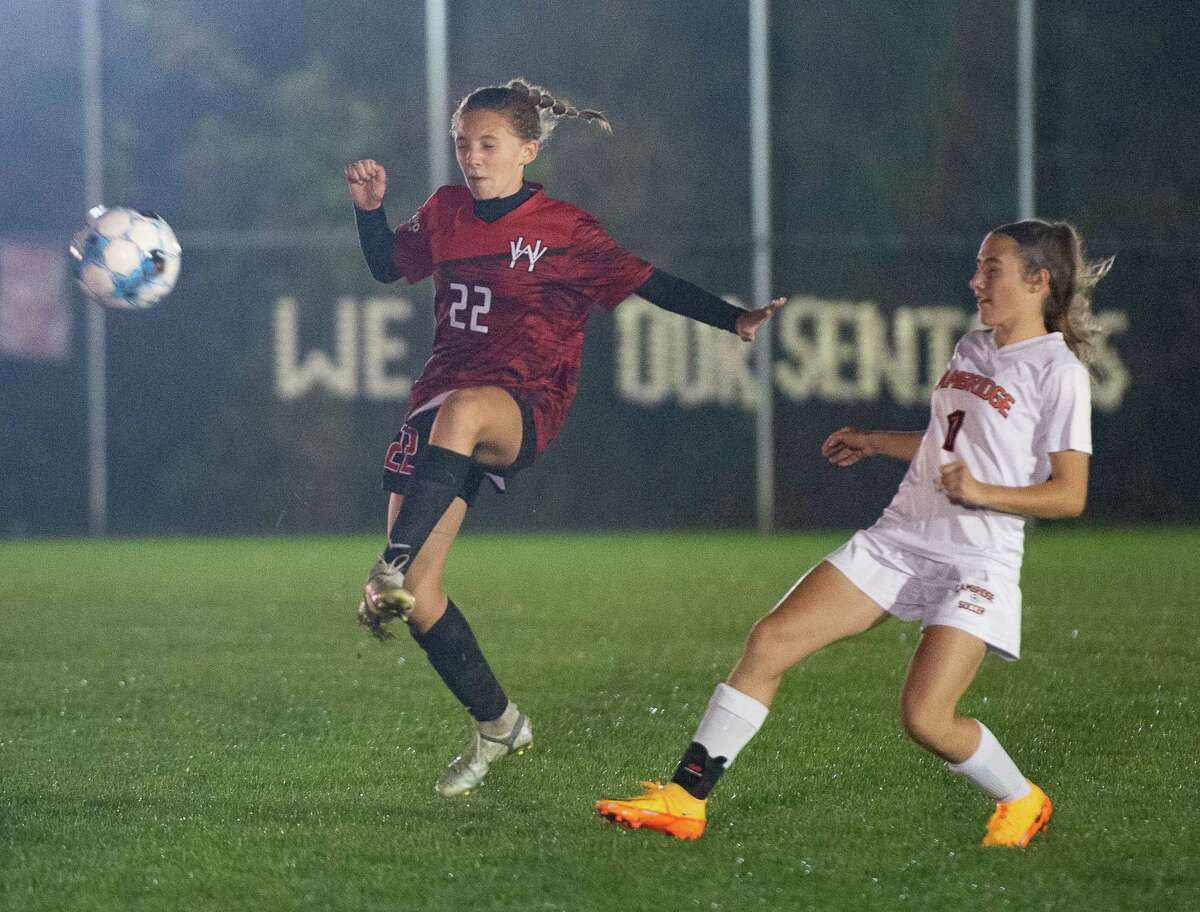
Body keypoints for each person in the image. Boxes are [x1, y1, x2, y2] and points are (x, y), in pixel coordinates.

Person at [597, 219, 1112, 846]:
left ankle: (1022, 799)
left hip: (978, 560)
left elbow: (1069, 493)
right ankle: (685, 798)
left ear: (1038, 281)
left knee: (926, 719)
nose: (975, 280)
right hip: (901, 538)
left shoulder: (1058, 371)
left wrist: (981, 493)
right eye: (978, 266)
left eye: (992, 268)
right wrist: (876, 442)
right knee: (769, 641)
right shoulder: (973, 348)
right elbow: (948, 445)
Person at [345, 78, 784, 798]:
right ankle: (498, 723)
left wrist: (734, 318)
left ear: (527, 148)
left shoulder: (565, 229)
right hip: (437, 402)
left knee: (450, 444)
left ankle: (388, 564)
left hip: (521, 402)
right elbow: (389, 265)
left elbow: (651, 281)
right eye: (463, 144)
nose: (473, 157)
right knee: (422, 597)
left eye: (488, 145)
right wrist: (370, 212)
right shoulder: (447, 212)